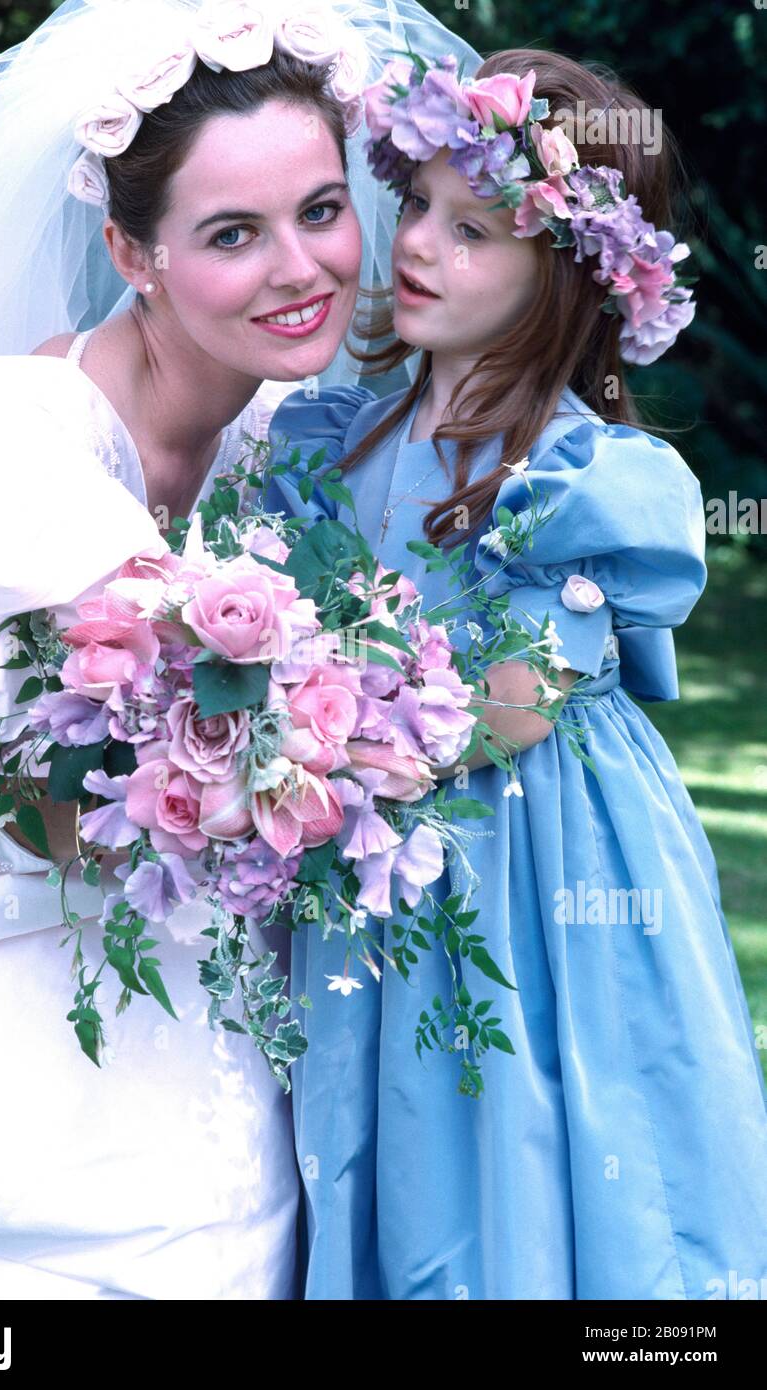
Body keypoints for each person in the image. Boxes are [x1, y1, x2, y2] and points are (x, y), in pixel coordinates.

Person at [0, 0, 482, 1299]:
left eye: (320, 209)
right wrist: (66, 811)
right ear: (130, 253)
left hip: (218, 1058)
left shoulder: (308, 458)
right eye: (230, 235)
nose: (299, 267)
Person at [264, 46, 767, 1299]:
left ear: (569, 275)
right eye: (417, 205)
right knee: (375, 1110)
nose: (419, 245)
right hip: (363, 838)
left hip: (535, 852)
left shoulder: (576, 473)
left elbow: (517, 699)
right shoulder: (339, 435)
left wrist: (333, 755)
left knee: (527, 1110)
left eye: (473, 228)